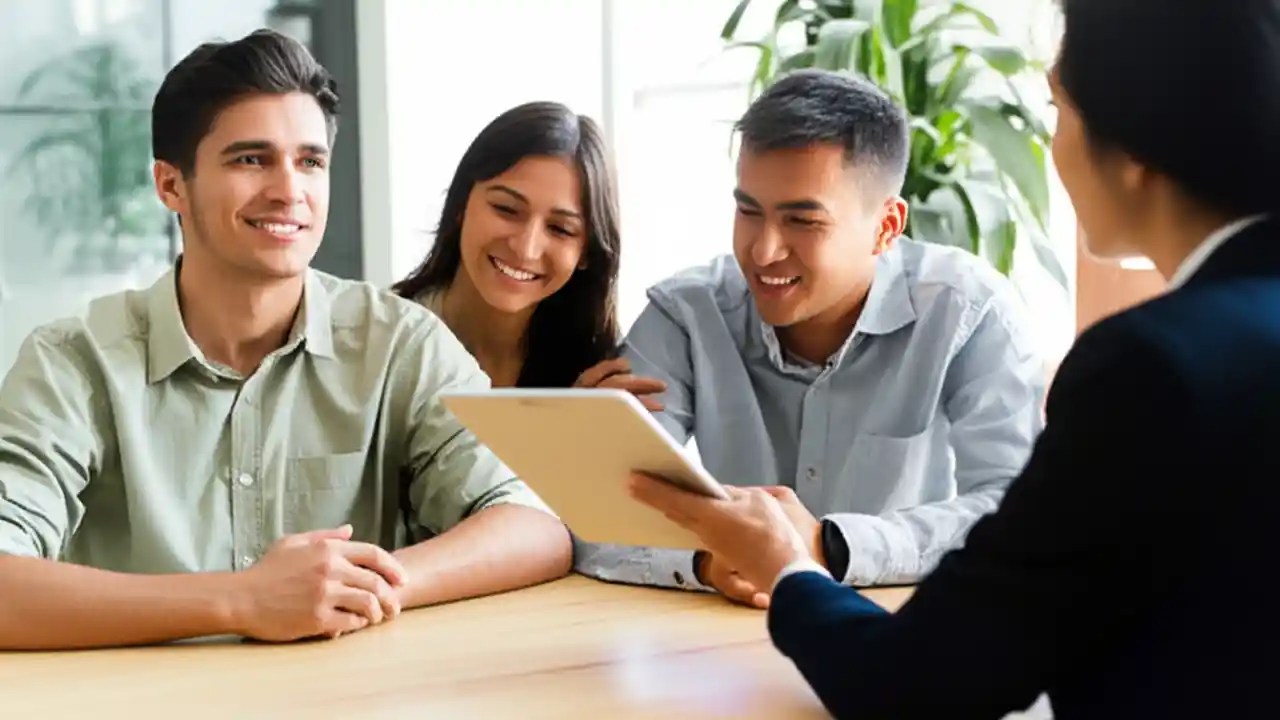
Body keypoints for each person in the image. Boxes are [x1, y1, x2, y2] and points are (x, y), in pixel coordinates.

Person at [631, 0, 1280, 716]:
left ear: (1134, 148)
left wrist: (788, 567)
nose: (1049, 149)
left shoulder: (1148, 367)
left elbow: (918, 685)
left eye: (1058, 113)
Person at [0, 29, 572, 651]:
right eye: (251, 159)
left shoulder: (400, 344)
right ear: (171, 186)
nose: (289, 190)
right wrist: (241, 600)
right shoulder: (73, 363)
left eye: (310, 161)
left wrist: (352, 589)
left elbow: (533, 525)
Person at [576, 70, 1046, 603]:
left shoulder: (968, 312)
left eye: (803, 221)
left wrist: (828, 546)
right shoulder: (686, 315)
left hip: (895, 634)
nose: (763, 250)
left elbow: (1020, 511)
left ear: (886, 227)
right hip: (715, 642)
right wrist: (708, 561)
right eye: (748, 211)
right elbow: (595, 515)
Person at [392, 101, 661, 404]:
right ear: (460, 206)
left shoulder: (600, 377)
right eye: (506, 209)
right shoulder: (382, 341)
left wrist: (581, 430)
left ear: (587, 252)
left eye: (560, 229)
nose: (526, 247)